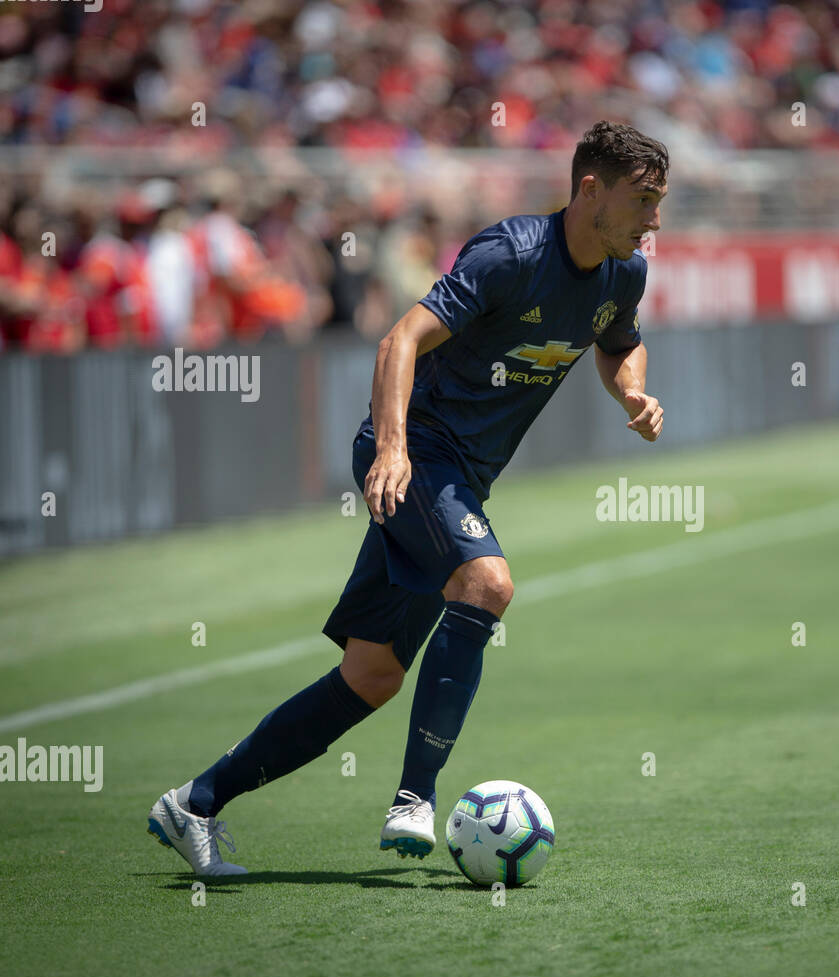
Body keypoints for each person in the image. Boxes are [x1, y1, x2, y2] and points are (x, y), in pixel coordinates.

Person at [147, 122, 668, 875]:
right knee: (487, 583)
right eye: (644, 200)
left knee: (372, 676)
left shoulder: (624, 273)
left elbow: (619, 342)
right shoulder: (511, 254)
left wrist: (632, 390)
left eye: (659, 202)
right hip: (414, 453)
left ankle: (193, 803)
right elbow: (399, 341)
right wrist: (391, 447)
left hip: (463, 477)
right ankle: (413, 799)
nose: (655, 219)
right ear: (592, 190)